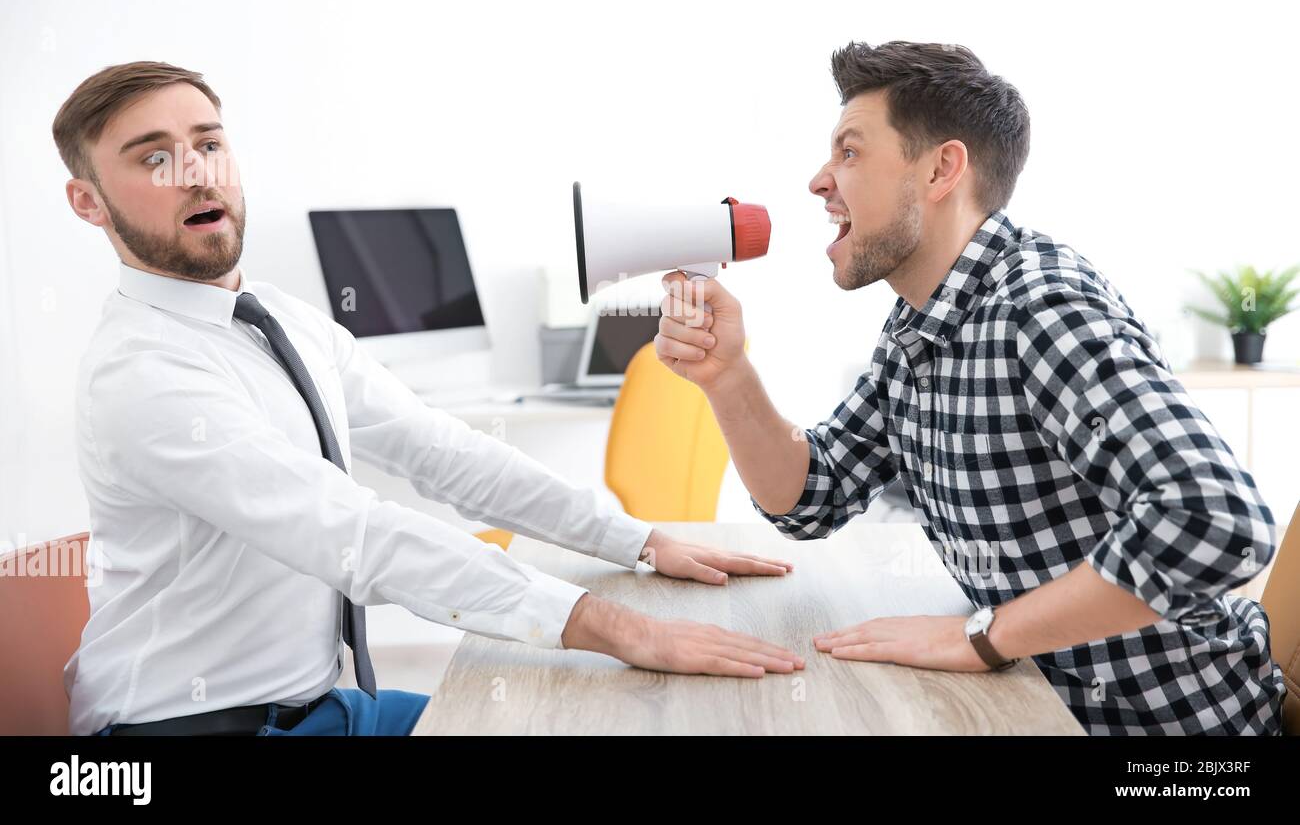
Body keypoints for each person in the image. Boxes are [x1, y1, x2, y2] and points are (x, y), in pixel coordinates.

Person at [55, 61, 803, 737]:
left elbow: (441, 451)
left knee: (586, 722)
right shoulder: (140, 375)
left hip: (324, 709)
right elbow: (357, 534)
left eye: (209, 144)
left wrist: (633, 540)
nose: (196, 173)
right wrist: (615, 628)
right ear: (88, 203)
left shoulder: (279, 318)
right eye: (154, 157)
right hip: (193, 728)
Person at [655, 40, 1286, 735]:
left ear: (940, 169)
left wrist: (980, 637)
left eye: (850, 151)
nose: (818, 180)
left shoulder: (1041, 308)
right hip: (1037, 707)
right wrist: (728, 375)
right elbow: (812, 495)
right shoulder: (919, 324)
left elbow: (1217, 521)